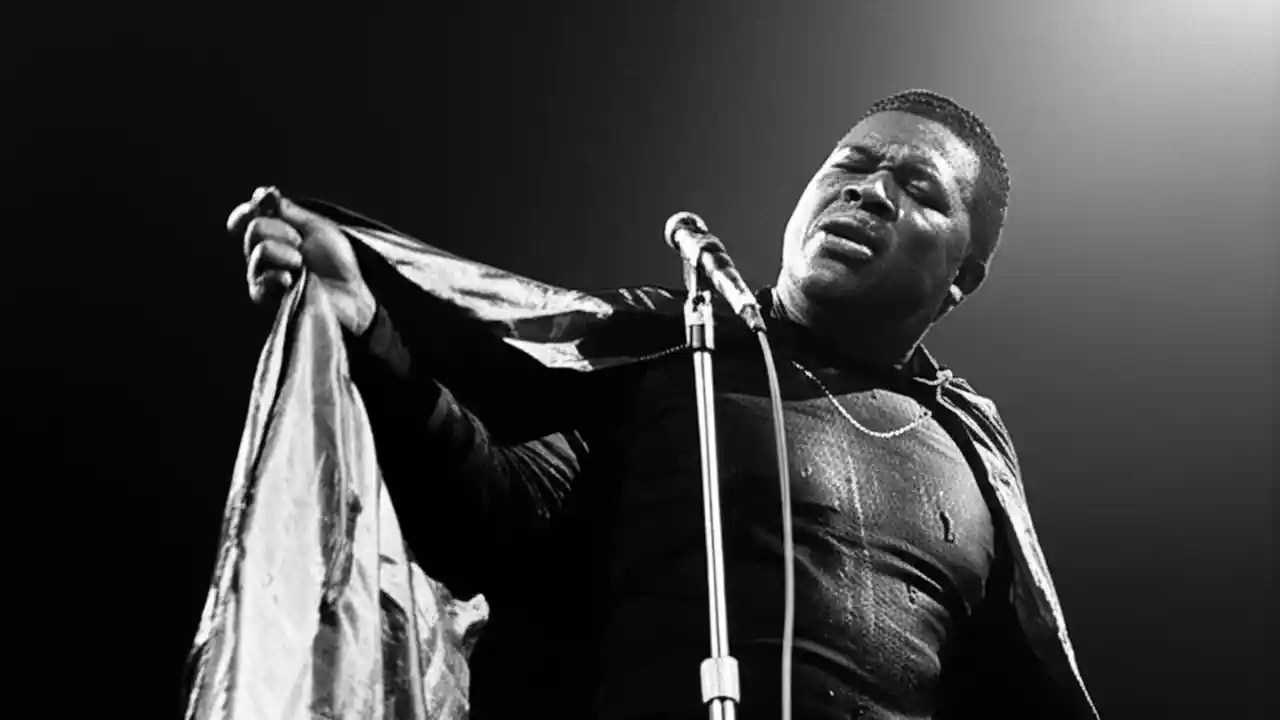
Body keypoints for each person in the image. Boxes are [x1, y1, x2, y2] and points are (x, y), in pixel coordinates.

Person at [229, 89, 1098, 719]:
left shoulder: (970, 455)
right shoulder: (673, 347)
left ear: (962, 278)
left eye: (918, 188)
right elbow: (486, 519)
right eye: (852, 166)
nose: (869, 191)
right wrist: (373, 334)